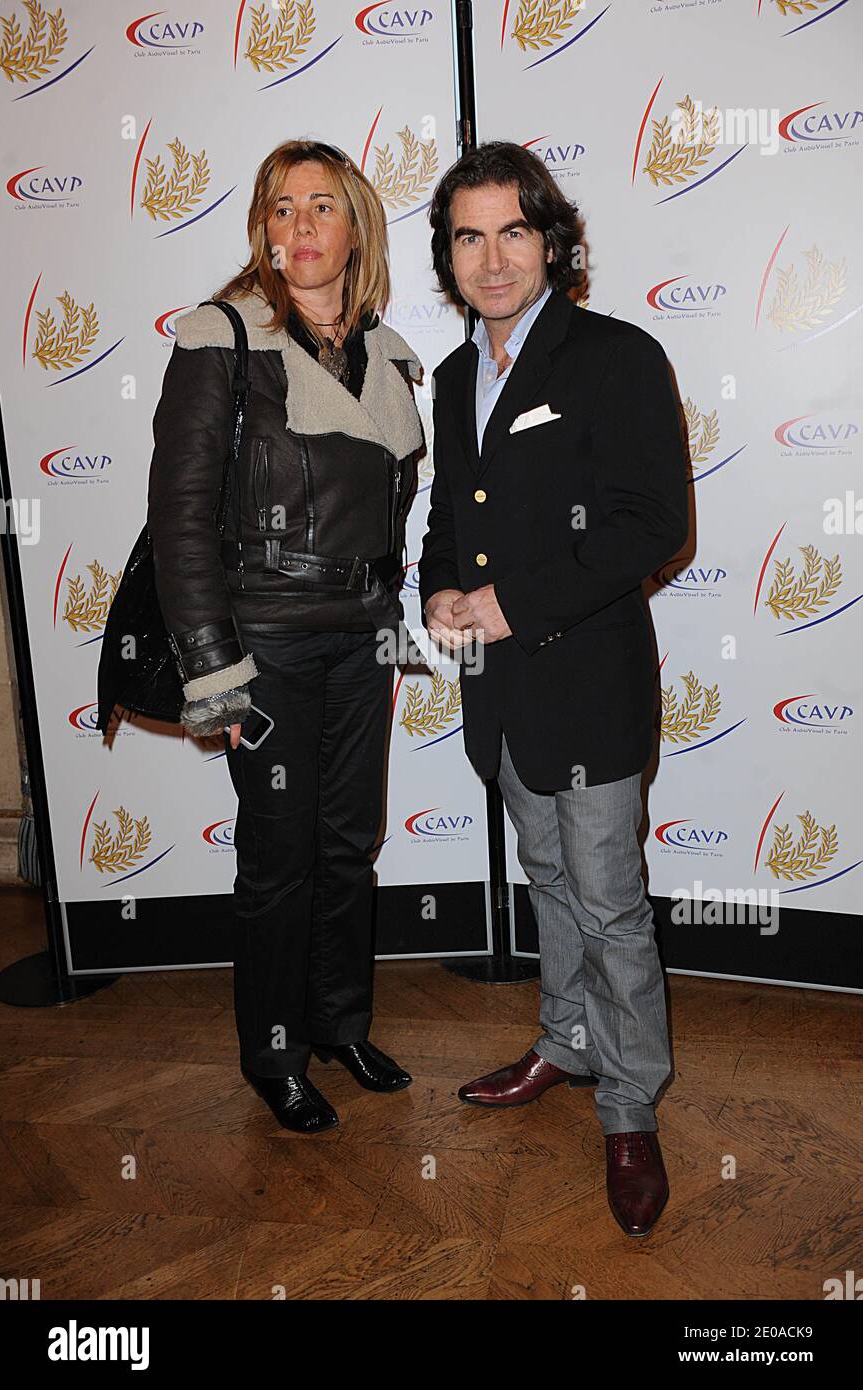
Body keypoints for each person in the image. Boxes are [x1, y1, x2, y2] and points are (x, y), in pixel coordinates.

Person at [419, 141, 690, 1235]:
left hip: (584, 679)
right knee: (546, 875)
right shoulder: (447, 378)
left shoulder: (616, 356)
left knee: (610, 901)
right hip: (500, 693)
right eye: (468, 235)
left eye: (512, 231)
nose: (491, 258)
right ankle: (564, 1042)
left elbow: (651, 524)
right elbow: (452, 517)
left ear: (551, 240)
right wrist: (442, 590)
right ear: (448, 253)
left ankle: (628, 1109)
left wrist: (512, 604)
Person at [146, 139, 425, 1134]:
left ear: (356, 226)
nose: (299, 228)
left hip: (363, 638)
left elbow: (393, 513)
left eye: (320, 206)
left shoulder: (386, 352)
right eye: (279, 208)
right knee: (281, 855)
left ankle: (338, 1022)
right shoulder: (220, 335)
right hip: (263, 641)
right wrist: (210, 672)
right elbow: (181, 515)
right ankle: (273, 1049)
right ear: (262, 229)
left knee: (349, 844)